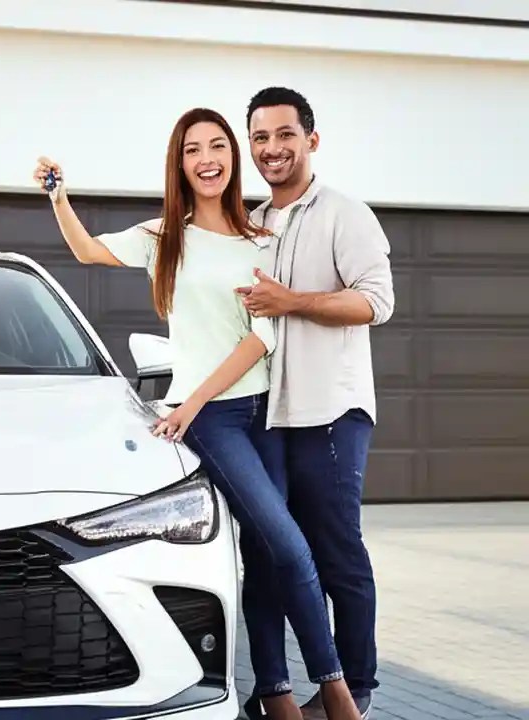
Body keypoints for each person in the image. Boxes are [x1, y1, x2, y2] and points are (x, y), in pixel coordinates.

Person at [32, 107, 361, 720]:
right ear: (179, 164)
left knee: (267, 558)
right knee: (289, 547)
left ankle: (278, 696)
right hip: (213, 420)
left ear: (232, 158)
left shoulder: (263, 240)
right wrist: (59, 195)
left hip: (266, 412)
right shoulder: (165, 236)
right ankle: (336, 689)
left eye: (217, 146)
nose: (206, 158)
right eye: (192, 150)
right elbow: (86, 251)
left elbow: (261, 338)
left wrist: (195, 397)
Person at [236, 86, 394, 720]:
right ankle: (276, 689)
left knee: (337, 554)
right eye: (261, 138)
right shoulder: (252, 223)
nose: (272, 149)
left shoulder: (344, 213)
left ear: (311, 140)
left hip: (329, 414)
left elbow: (375, 302)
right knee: (274, 557)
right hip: (266, 420)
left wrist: (294, 301)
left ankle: (356, 690)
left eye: (284, 135)